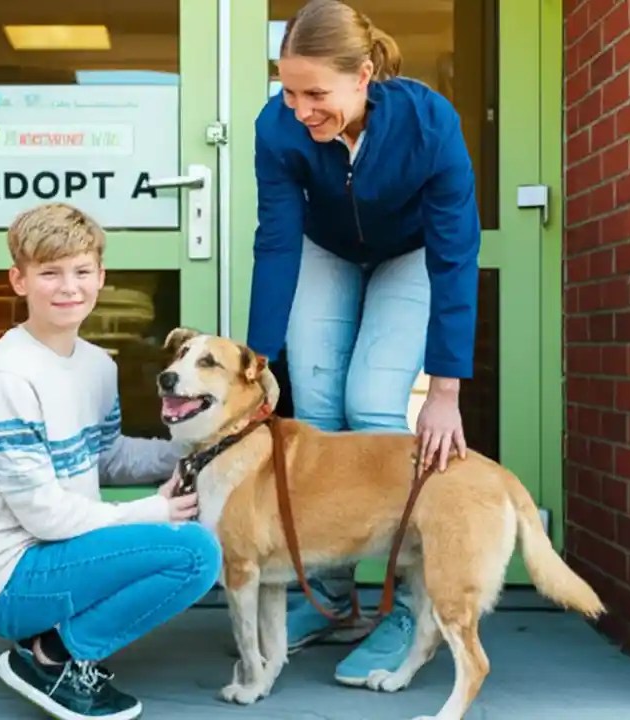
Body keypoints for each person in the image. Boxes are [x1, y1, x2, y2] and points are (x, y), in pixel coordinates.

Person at [246, 0, 481, 689]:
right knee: (316, 417)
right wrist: (258, 365)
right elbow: (278, 244)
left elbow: (454, 255)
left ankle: (412, 610)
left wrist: (444, 390)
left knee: (374, 406)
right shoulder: (278, 129)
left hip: (410, 255)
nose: (299, 108)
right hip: (325, 250)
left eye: (315, 93)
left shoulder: (429, 123)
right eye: (287, 89)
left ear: (364, 76)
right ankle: (327, 598)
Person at [0, 202, 220, 720]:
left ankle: (55, 643)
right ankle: (52, 658)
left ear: (101, 276)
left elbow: (108, 457)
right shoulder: (6, 379)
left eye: (81, 271)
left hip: (66, 552)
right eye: (49, 272)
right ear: (19, 280)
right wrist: (152, 511)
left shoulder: (96, 365)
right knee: (192, 553)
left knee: (188, 544)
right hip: (11, 578)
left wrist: (196, 449)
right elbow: (44, 516)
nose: (68, 286)